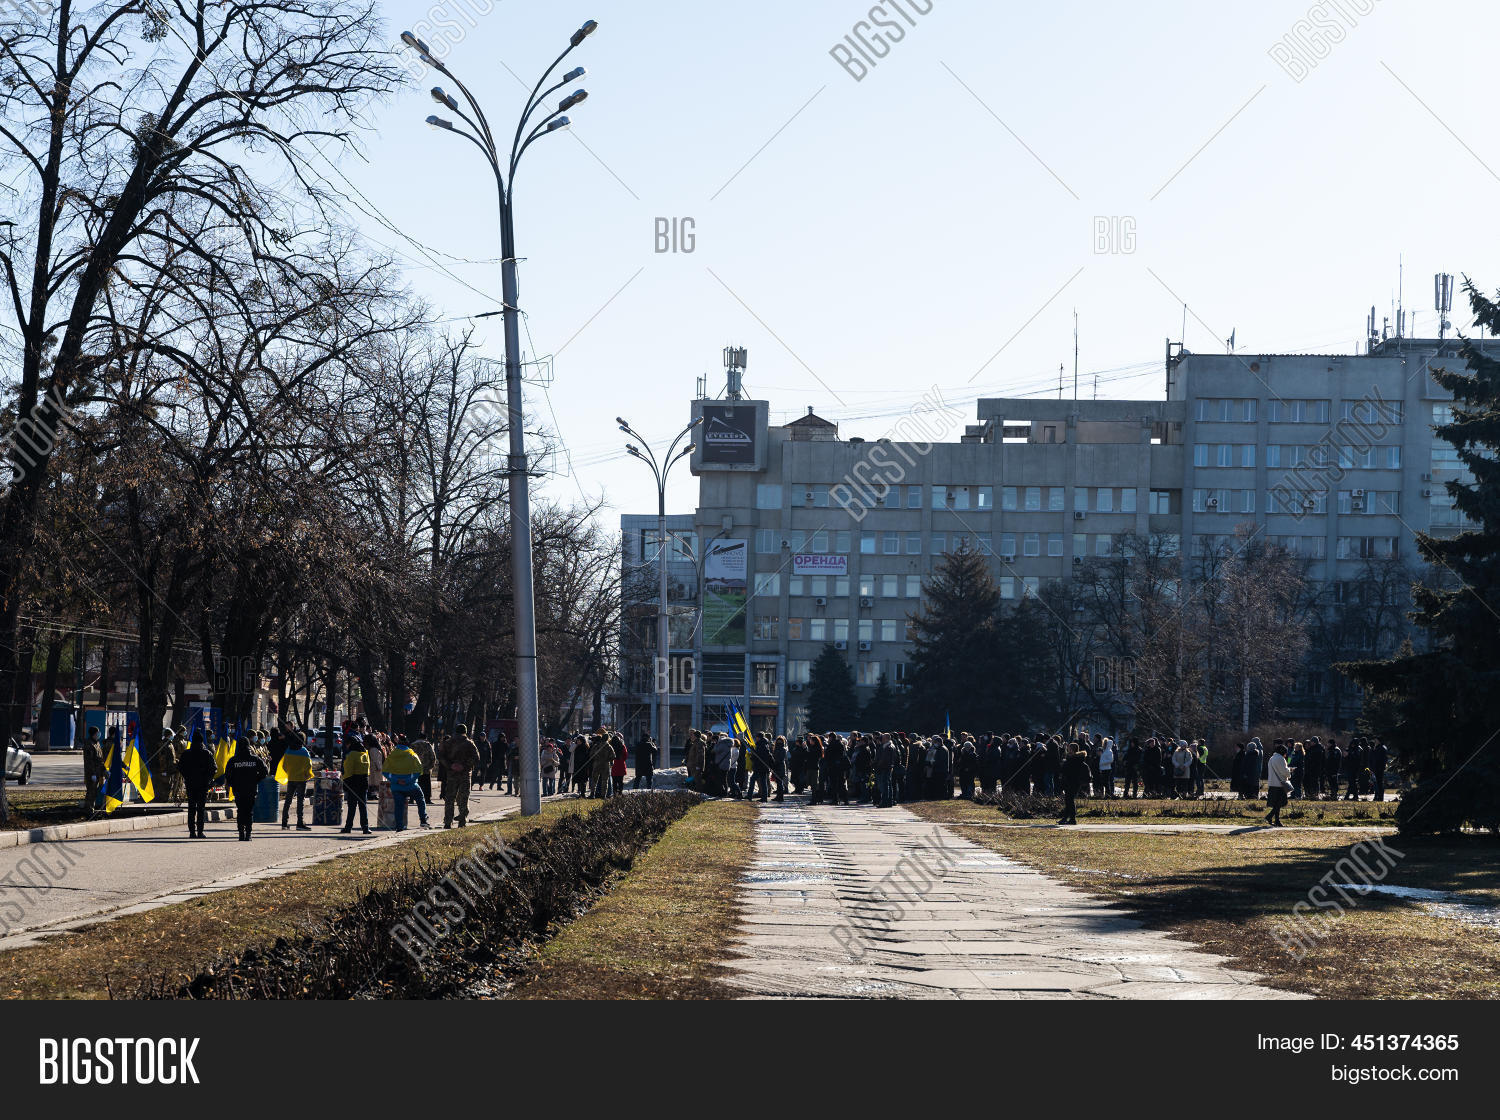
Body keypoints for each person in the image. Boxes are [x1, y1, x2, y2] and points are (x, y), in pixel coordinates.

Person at [226, 736, 269, 841]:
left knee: (240, 811)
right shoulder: (255, 759)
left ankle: (241, 833)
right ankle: (248, 834)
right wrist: (256, 780)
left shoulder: (233, 760)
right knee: (249, 812)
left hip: (238, 790)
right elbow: (265, 771)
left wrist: (233, 784)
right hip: (251, 789)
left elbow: (228, 775)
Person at [438, 724, 481, 827]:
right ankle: (462, 820)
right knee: (463, 798)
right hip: (465, 774)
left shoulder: (447, 743)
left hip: (451, 774)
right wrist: (464, 765)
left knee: (449, 798)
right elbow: (476, 758)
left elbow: (441, 756)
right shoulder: (469, 743)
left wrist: (451, 765)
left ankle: (448, 822)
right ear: (465, 731)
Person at [384, 738, 430, 830]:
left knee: (398, 806)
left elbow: (385, 771)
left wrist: (396, 780)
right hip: (411, 785)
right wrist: (408, 780)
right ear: (407, 744)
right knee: (420, 799)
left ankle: (399, 826)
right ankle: (423, 820)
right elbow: (419, 771)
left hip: (396, 787)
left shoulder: (392, 755)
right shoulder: (412, 754)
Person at [178, 730, 216, 838]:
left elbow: (180, 767)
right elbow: (214, 769)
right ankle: (200, 832)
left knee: (191, 808)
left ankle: (191, 832)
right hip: (203, 785)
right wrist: (208, 780)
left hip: (190, 784)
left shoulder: (186, 753)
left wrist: (187, 777)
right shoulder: (206, 753)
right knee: (200, 809)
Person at [278, 730, 315, 830]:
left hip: (291, 778)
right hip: (301, 780)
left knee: (288, 801)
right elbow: (308, 767)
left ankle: (284, 823)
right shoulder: (304, 751)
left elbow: (284, 766)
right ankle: (299, 823)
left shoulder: (288, 750)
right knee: (300, 801)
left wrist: (290, 773)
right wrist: (307, 775)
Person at [340, 735, 372, 834]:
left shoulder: (351, 755)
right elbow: (368, 770)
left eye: (347, 744)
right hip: (364, 781)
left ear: (350, 744)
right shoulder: (365, 753)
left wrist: (343, 779)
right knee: (363, 806)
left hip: (353, 782)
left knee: (352, 806)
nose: (347, 746)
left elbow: (348, 771)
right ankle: (365, 827)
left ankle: (348, 827)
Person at [1059, 743, 1090, 825]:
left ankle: (1072, 819)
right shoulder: (1074, 759)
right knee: (1068, 800)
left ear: (1072, 749)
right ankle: (1066, 818)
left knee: (1069, 800)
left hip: (1073, 782)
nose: (1068, 750)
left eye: (1069, 748)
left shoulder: (1074, 760)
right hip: (1071, 782)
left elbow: (1068, 770)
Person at [1265, 742, 1292, 827]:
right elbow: (1284, 771)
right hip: (1280, 784)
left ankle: (1277, 820)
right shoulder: (1280, 759)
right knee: (1281, 802)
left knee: (1276, 803)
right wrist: (1290, 771)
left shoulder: (1272, 758)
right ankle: (1269, 816)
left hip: (1272, 783)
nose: (1286, 755)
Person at [81, 725, 107, 813]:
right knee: (91, 792)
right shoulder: (89, 744)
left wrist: (104, 769)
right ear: (93, 734)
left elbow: (100, 759)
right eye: (97, 733)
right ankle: (88, 810)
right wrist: (92, 774)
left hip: (98, 771)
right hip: (92, 773)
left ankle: (91, 809)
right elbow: (89, 761)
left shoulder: (97, 743)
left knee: (94, 792)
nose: (99, 734)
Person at [771, 735, 789, 802]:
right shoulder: (776, 749)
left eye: (780, 741)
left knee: (779, 782)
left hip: (780, 767)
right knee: (778, 782)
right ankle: (778, 796)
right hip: (776, 766)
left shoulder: (783, 749)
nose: (779, 743)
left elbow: (780, 759)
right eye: (778, 741)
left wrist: (775, 763)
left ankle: (780, 797)